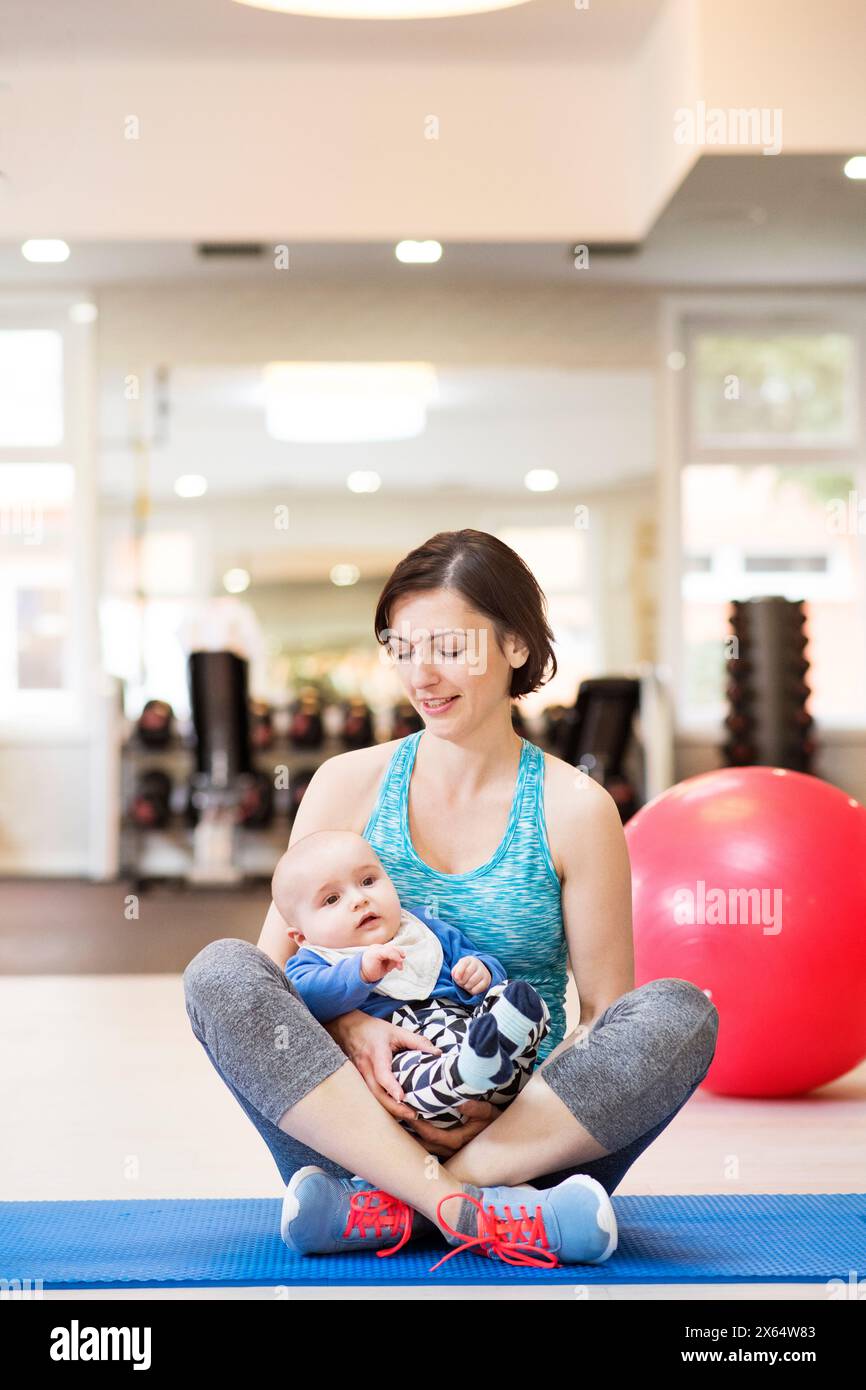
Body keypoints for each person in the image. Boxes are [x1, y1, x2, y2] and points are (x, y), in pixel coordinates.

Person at [183, 528, 719, 1271]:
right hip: (355, 1136)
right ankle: (468, 1213)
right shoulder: (346, 784)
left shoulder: (576, 807)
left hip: (519, 1139)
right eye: (403, 649)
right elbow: (271, 983)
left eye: (450, 647)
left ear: (517, 647)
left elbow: (604, 1018)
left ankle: (410, 1207)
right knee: (221, 972)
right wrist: (354, 1035)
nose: (422, 675)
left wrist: (493, 1110)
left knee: (678, 1014)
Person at [273, 828, 551, 1130]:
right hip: (412, 1066)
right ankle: (466, 1072)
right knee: (402, 1076)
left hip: (473, 1038)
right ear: (301, 936)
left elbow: (477, 959)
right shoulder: (312, 961)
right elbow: (304, 1000)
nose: (359, 900)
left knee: (509, 995)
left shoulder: (424, 929)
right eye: (331, 899)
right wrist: (359, 972)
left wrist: (481, 972)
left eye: (368, 881)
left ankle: (496, 1047)